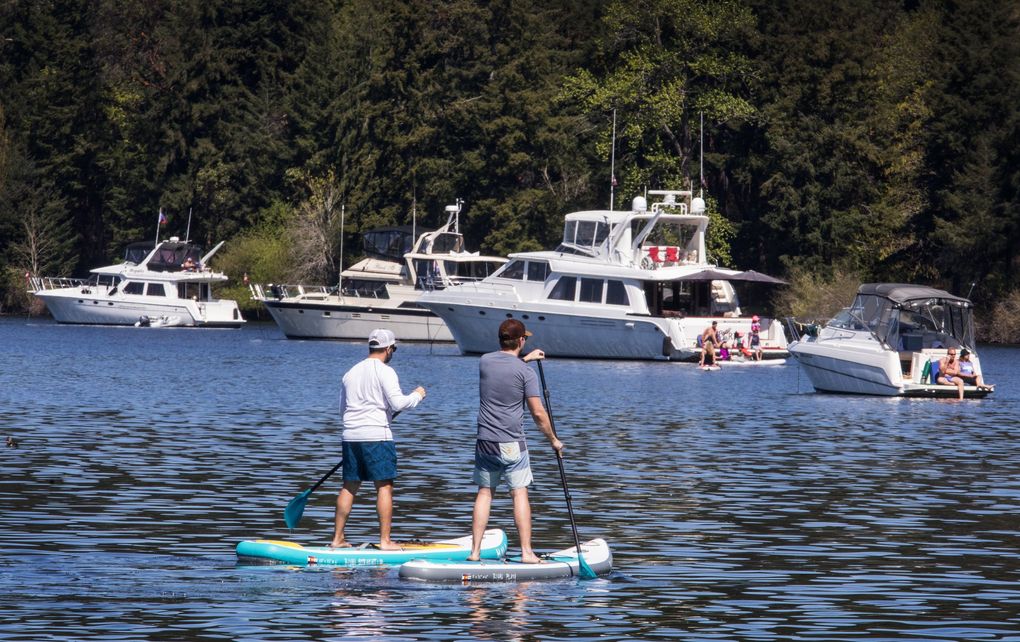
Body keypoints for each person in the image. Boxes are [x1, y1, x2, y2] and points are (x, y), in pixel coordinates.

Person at [468, 318, 563, 564]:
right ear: (521, 340)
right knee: (519, 494)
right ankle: (526, 553)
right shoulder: (526, 373)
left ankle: (475, 552)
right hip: (511, 442)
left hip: (485, 441)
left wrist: (525, 359)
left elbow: (505, 367)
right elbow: (538, 413)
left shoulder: (485, 361)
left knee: (485, 493)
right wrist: (553, 440)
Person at [331, 328, 426, 549]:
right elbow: (399, 403)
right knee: (384, 486)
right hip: (377, 436)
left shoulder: (350, 373)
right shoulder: (386, 371)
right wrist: (417, 396)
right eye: (394, 349)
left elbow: (342, 410)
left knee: (349, 486)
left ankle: (337, 539)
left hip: (351, 435)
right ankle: (385, 541)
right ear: (388, 348)